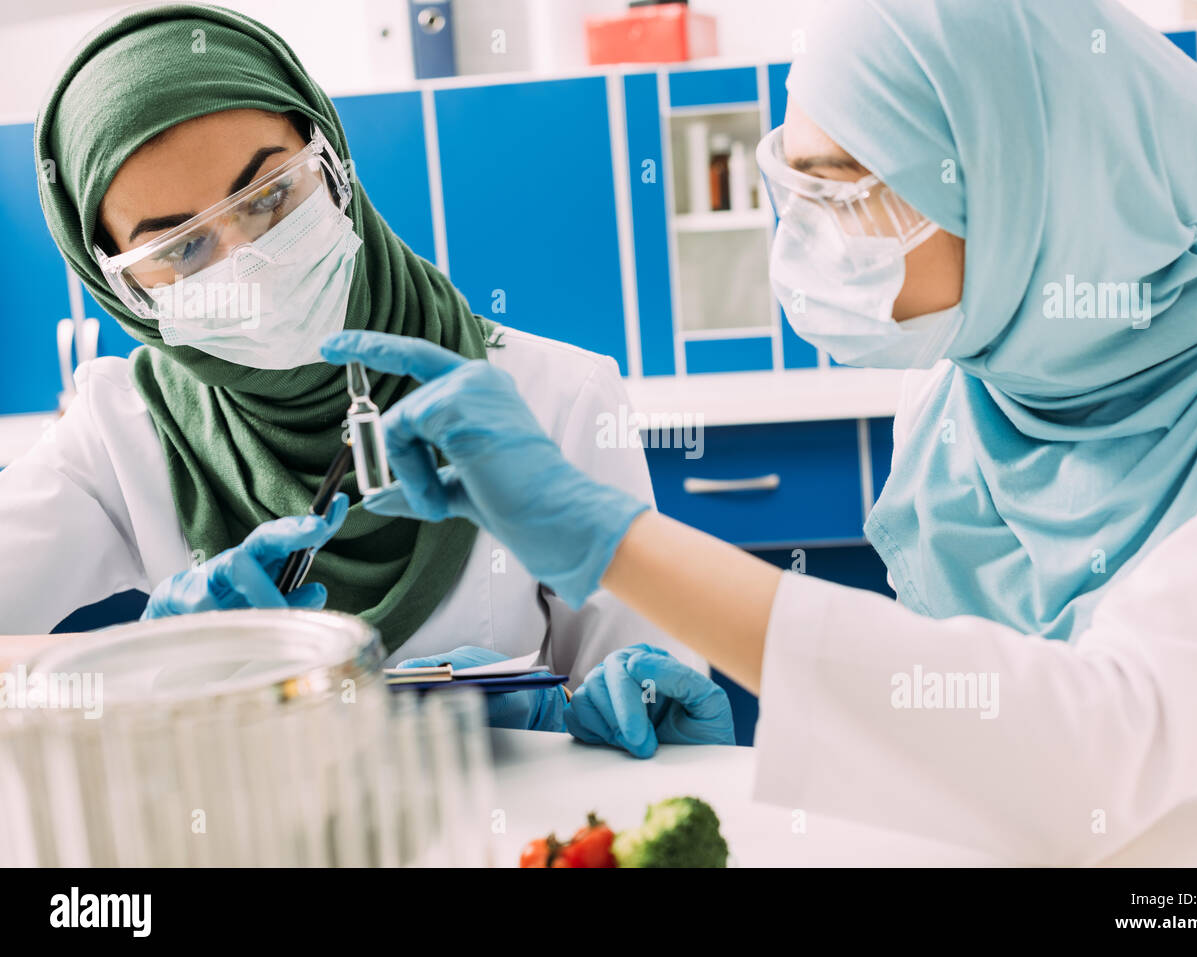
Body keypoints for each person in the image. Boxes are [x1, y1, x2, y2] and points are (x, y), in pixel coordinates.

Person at [321, 0, 1197, 864]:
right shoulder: (963, 386)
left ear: (1019, 187)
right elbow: (975, 722)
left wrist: (609, 539)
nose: (804, 241)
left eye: (842, 190)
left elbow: (1090, 752)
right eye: (795, 185)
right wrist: (747, 730)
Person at [1, 3, 722, 749]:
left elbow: (657, 713)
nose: (247, 260)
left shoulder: (557, 397)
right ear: (120, 286)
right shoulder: (120, 434)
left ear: (333, 161)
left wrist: (580, 716)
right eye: (181, 249)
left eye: (272, 195)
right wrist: (141, 666)